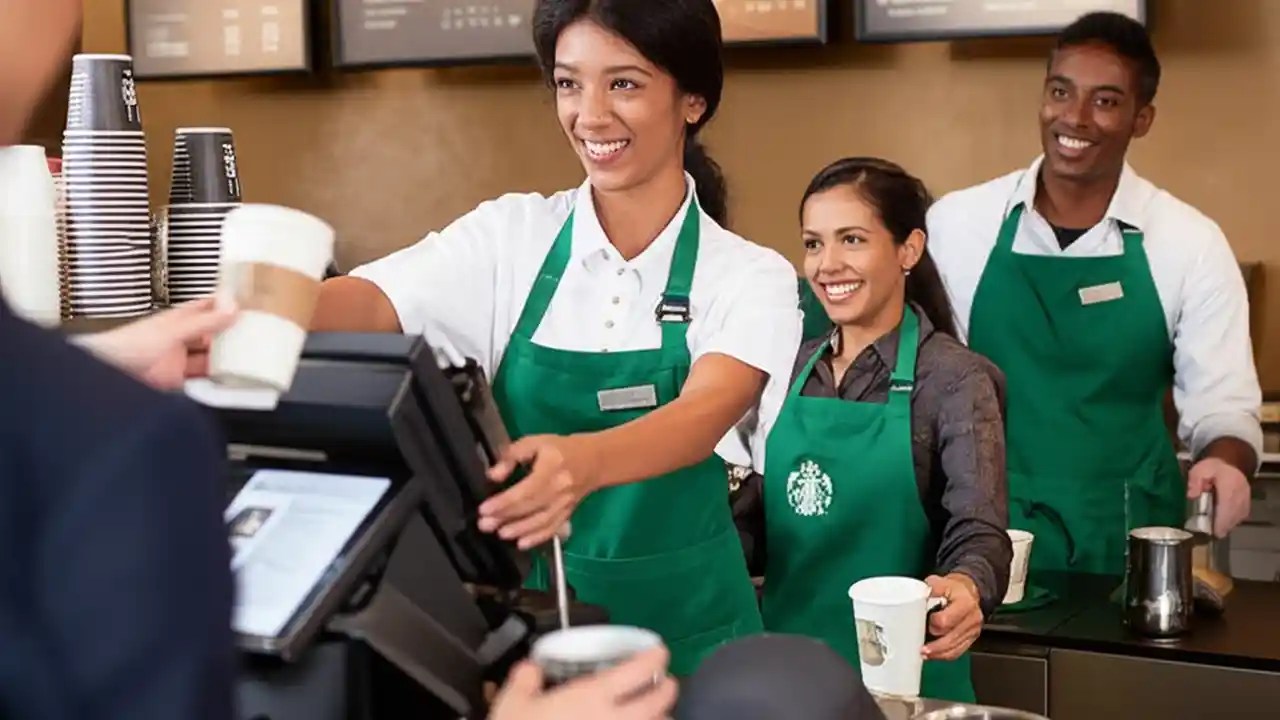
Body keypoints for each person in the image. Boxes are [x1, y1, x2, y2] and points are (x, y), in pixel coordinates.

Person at [312, 0, 799, 677]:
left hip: (699, 651)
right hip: (545, 642)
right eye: (569, 83)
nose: (590, 115)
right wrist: (241, 312)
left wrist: (582, 464)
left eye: (623, 83)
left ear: (692, 100)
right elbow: (368, 305)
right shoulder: (511, 238)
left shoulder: (750, 276)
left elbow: (702, 412)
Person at [927, 11, 1261, 577]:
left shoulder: (1188, 242)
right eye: (1061, 92)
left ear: (1142, 118)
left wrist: (1226, 463)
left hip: (1130, 540)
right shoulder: (958, 224)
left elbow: (1223, 405)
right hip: (982, 538)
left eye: (1105, 101)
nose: (1074, 117)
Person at [743, 158, 1011, 703]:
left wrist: (965, 586)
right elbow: (756, 524)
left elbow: (979, 526)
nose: (827, 264)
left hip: (907, 688)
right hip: (789, 682)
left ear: (908, 250)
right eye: (813, 244)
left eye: (852, 240)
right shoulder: (785, 370)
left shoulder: (955, 379)